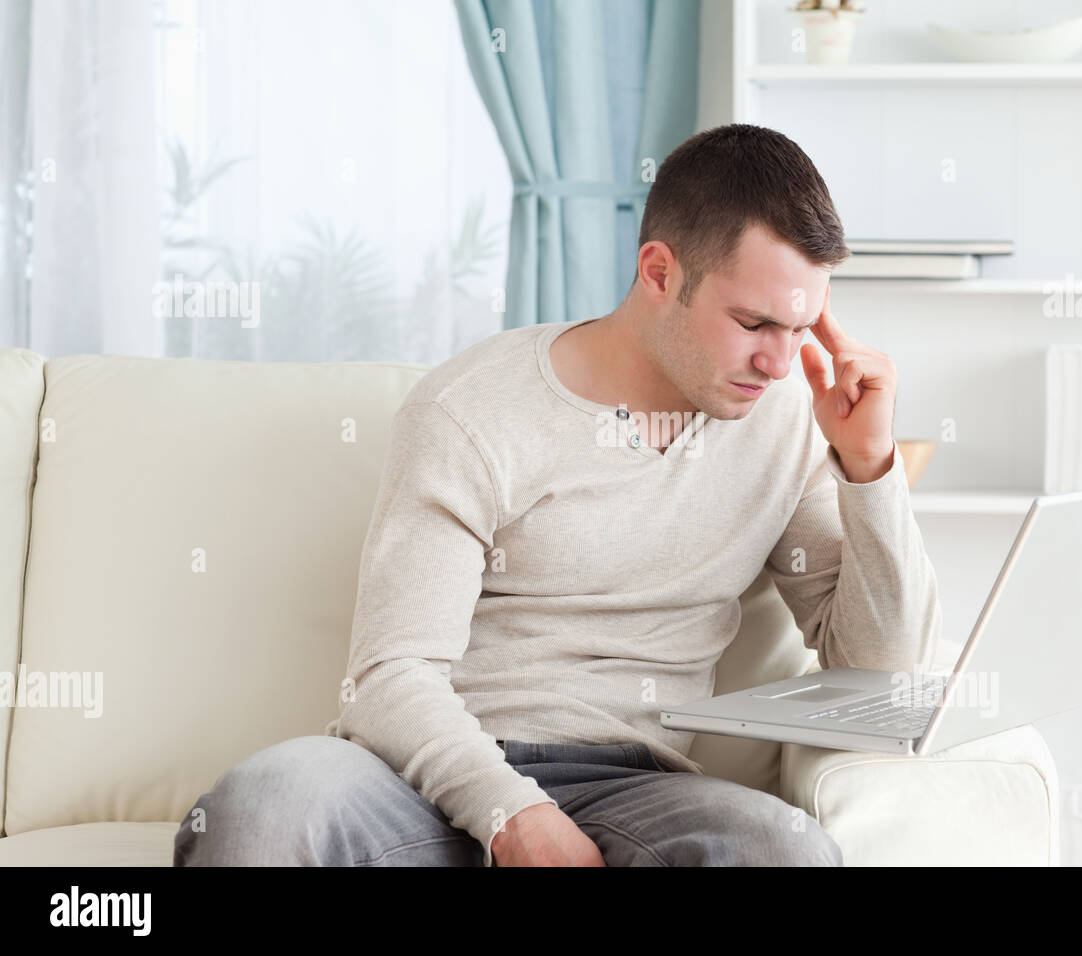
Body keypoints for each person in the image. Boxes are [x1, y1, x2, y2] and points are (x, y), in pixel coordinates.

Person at [174, 123, 942, 867]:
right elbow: (392, 676)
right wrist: (512, 813)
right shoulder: (471, 410)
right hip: (417, 785)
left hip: (630, 794)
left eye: (801, 328)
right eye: (753, 322)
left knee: (783, 848)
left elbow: (877, 669)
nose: (779, 363)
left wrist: (867, 465)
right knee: (266, 802)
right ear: (659, 272)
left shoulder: (784, 427)